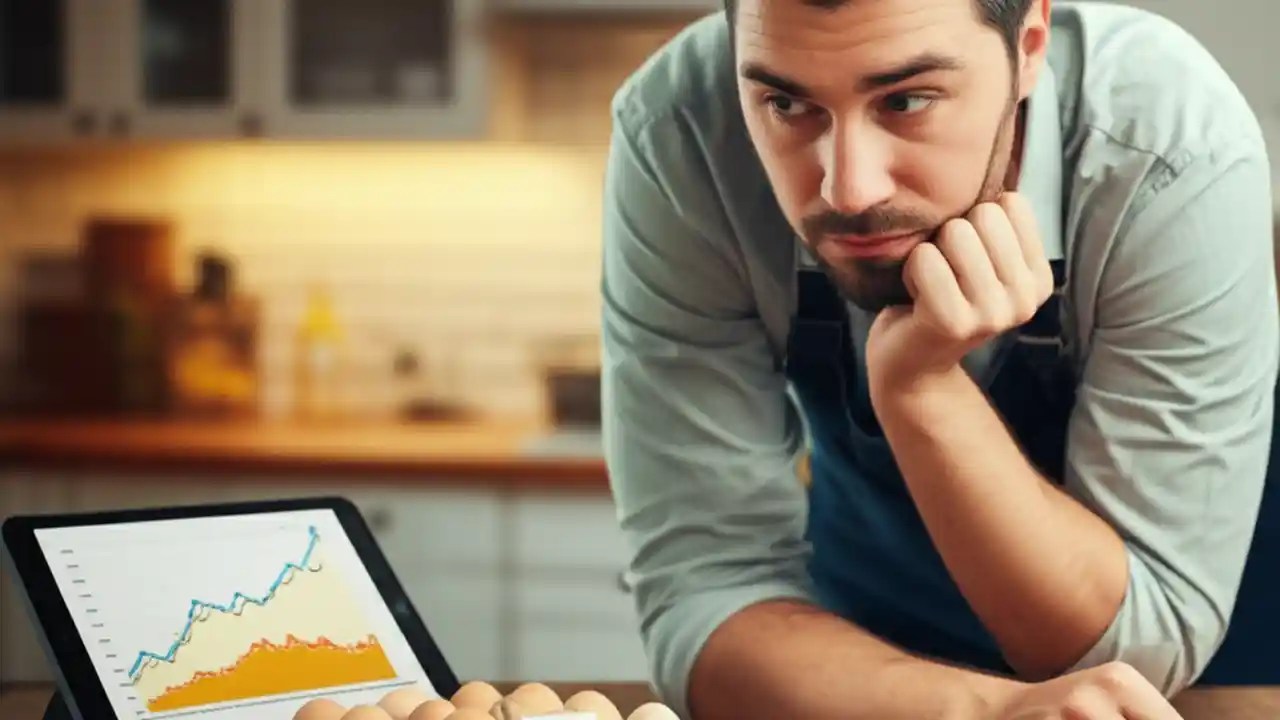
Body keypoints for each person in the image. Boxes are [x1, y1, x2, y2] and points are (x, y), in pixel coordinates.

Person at [600, 0, 1278, 718]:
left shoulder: (1167, 143)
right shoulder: (679, 132)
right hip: (860, 664)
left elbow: (1137, 649)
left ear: (1029, 45)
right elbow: (705, 598)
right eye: (787, 103)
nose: (849, 189)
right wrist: (984, 711)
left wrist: (922, 390)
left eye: (906, 100)